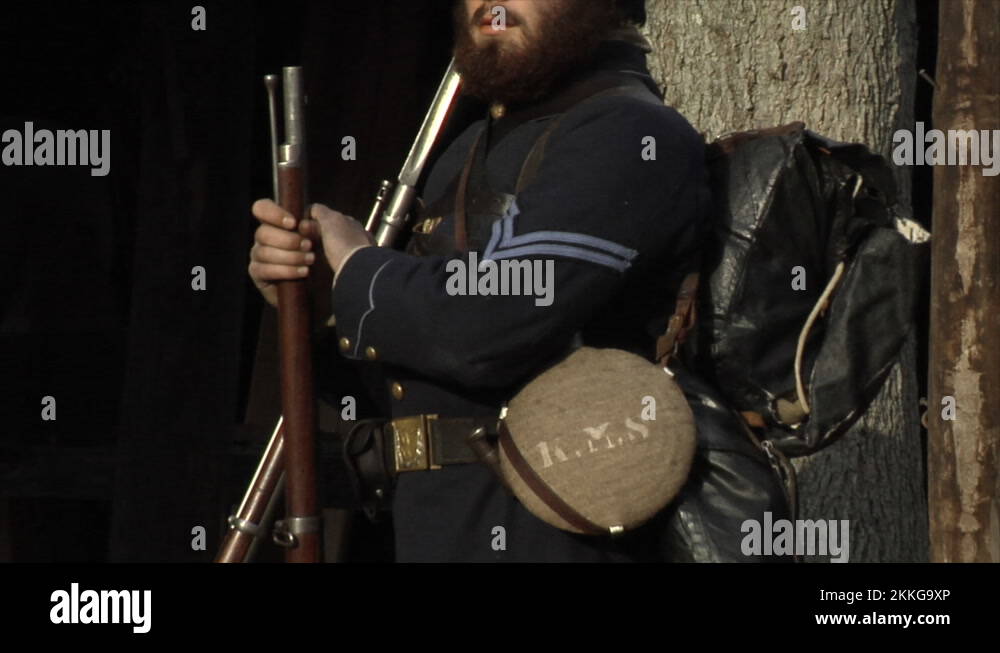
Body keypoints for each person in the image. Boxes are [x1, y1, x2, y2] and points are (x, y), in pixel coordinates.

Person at [248, 0, 787, 562]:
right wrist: (313, 306)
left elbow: (484, 325)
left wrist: (358, 267)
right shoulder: (470, 149)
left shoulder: (628, 132)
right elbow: (416, 387)